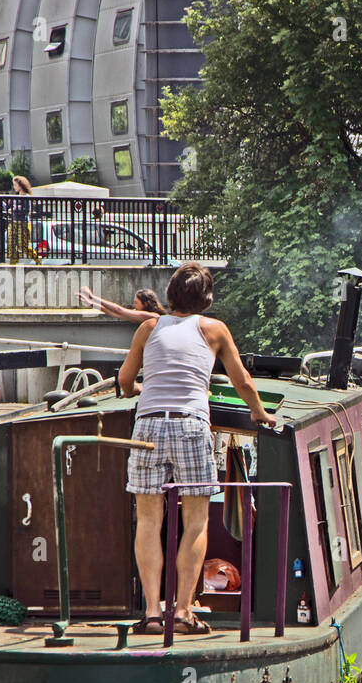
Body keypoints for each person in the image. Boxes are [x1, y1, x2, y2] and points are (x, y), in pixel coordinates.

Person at [117, 262, 277, 635]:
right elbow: (243, 381)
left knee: (148, 521)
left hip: (149, 426)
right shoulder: (213, 329)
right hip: (191, 425)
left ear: (170, 295)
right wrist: (260, 413)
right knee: (195, 521)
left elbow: (125, 380)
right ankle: (185, 611)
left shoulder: (149, 327)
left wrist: (137, 391)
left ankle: (153, 613)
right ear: (206, 299)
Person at [79, 285, 167, 324]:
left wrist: (92, 297)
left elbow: (119, 310)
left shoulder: (153, 316)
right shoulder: (141, 317)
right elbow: (114, 313)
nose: (134, 305)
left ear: (146, 304)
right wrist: (91, 304)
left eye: (136, 303)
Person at [7, 175, 41, 264]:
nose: (14, 187)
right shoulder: (15, 197)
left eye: (15, 185)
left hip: (23, 223)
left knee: (23, 246)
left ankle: (37, 259)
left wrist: (13, 210)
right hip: (14, 222)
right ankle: (13, 263)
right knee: (11, 245)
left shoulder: (26, 197)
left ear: (20, 185)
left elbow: (26, 211)